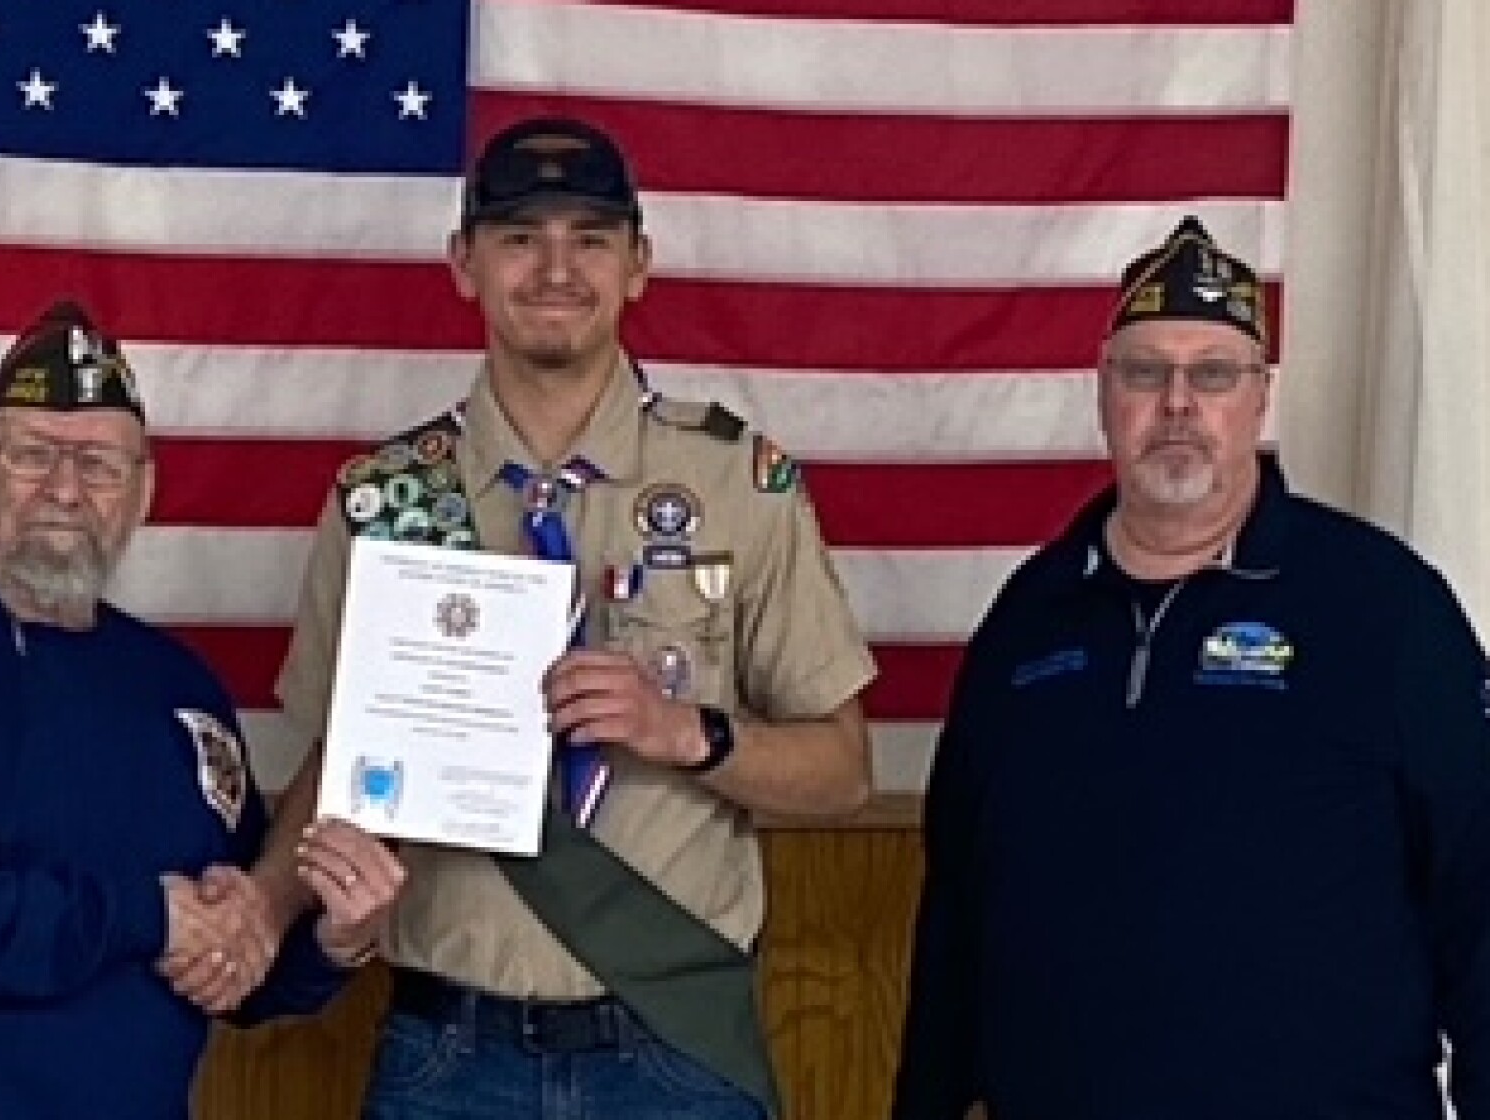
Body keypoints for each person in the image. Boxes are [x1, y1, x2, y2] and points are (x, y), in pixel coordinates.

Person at [263, 116, 878, 1119]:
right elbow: (337, 757)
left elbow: (845, 771)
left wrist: (685, 732)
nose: (556, 268)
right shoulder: (386, 497)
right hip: (449, 1051)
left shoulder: (739, 483)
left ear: (639, 263)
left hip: (673, 1039)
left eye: (590, 237)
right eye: (519, 237)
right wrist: (260, 902)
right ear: (464, 263)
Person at [892, 216, 1490, 1119]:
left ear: (1258, 397)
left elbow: (1480, 905)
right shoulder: (1027, 623)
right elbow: (956, 928)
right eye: (1145, 372)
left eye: (1213, 373)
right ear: (1105, 395)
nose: (1178, 402)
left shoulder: (1383, 609)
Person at [0, 301, 401, 1120]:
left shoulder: (180, 691)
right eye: (31, 455)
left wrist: (331, 943)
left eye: (98, 464)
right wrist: (148, 915)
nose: (63, 489)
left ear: (142, 492)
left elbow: (229, 964)